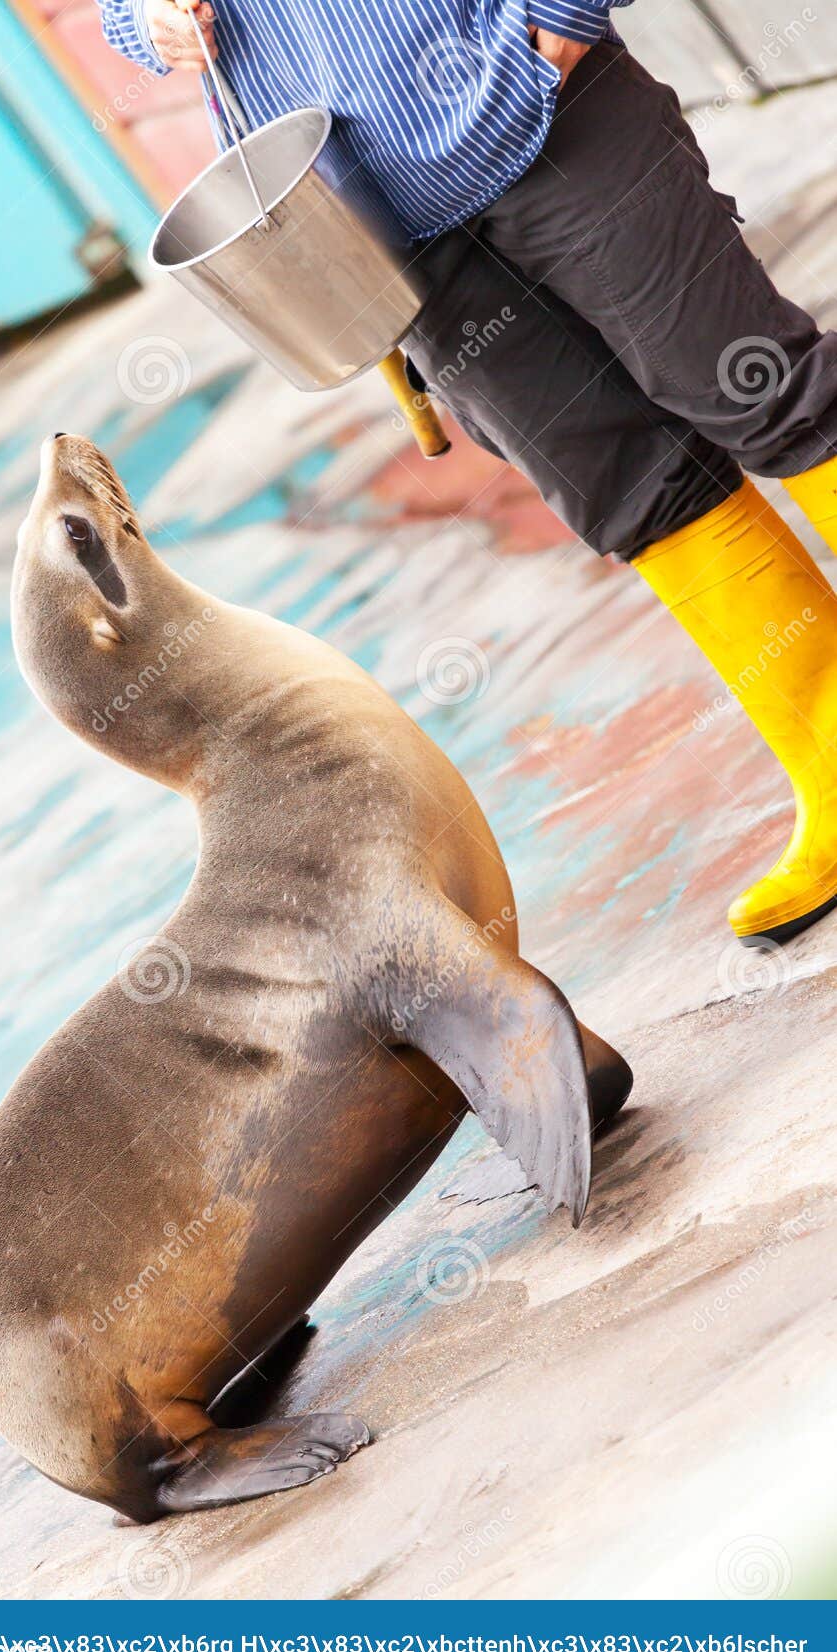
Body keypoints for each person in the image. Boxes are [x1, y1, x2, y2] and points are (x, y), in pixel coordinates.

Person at [97, 0, 837, 948]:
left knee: (766, 393)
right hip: (361, 211)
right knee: (635, 490)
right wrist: (141, 16)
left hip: (547, 107)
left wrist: (562, 15)